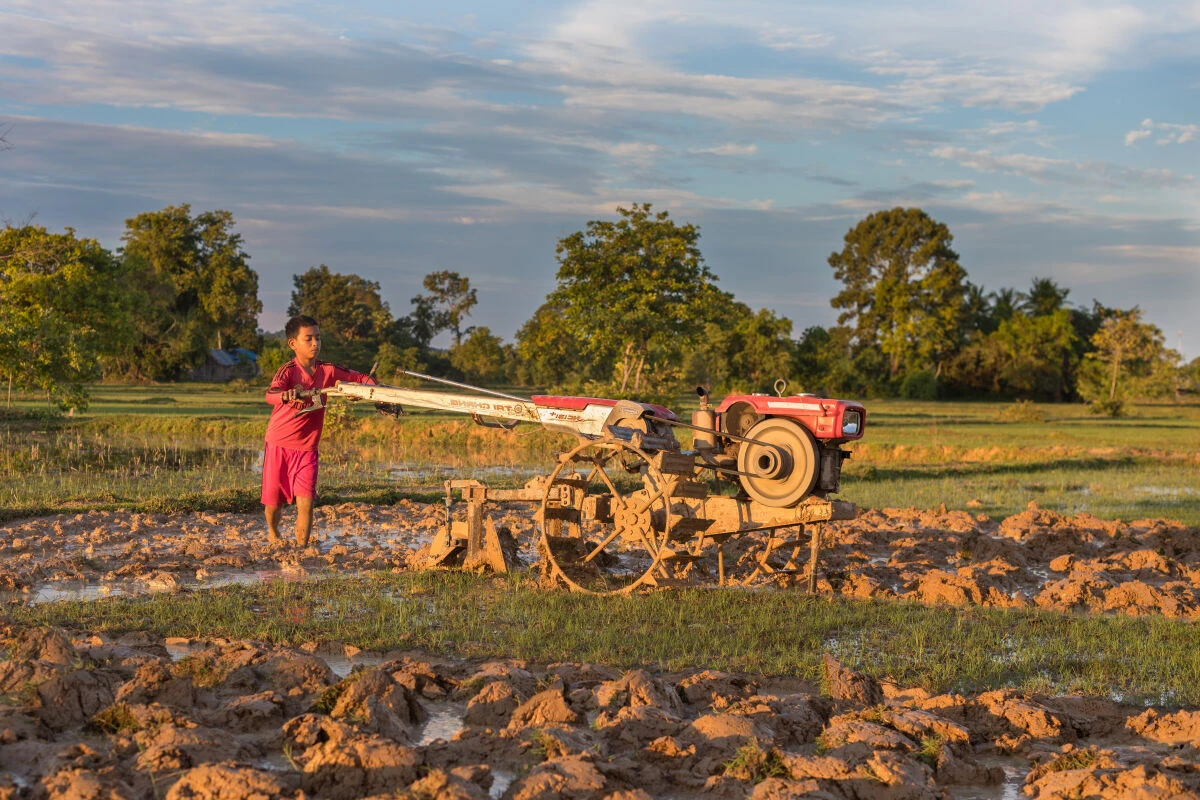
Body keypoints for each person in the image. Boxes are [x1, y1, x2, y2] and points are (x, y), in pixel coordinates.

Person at [262, 315, 375, 547]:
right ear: (293, 344)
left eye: (318, 338)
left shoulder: (328, 371)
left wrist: (374, 391)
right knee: (274, 502)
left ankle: (302, 549)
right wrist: (285, 395)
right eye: (309, 339)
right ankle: (273, 534)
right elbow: (270, 394)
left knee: (306, 502)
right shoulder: (288, 371)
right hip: (279, 444)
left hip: (307, 449)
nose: (316, 343)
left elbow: (361, 378)